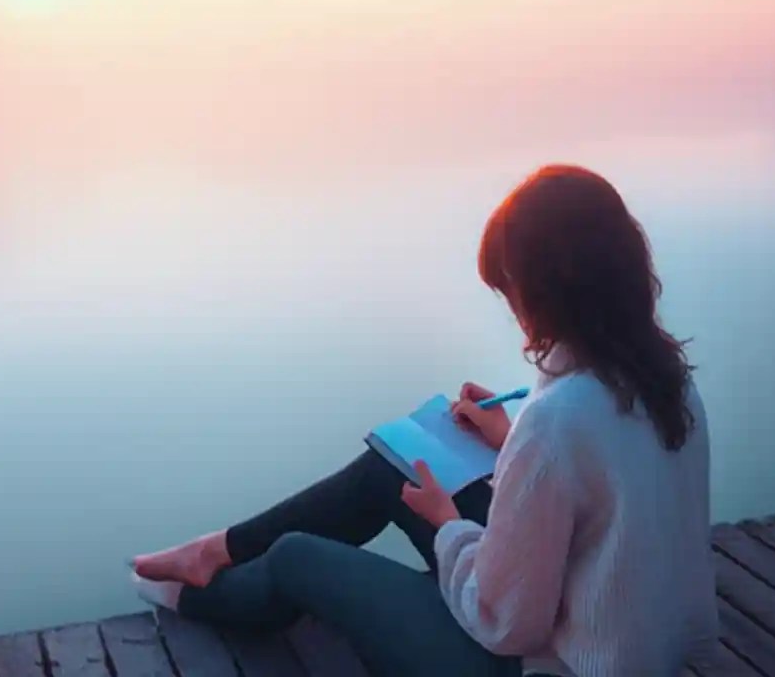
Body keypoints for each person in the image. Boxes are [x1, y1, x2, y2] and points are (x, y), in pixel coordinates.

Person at [130, 165, 719, 677]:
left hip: (543, 666)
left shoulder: (559, 420)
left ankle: (194, 594)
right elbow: (604, 496)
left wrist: (446, 526)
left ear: (546, 287)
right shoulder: (663, 378)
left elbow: (505, 622)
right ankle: (219, 550)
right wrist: (508, 439)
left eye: (511, 288)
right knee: (391, 470)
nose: (515, 309)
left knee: (294, 556)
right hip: (621, 637)